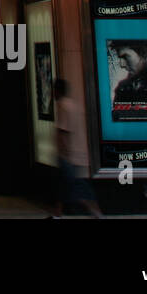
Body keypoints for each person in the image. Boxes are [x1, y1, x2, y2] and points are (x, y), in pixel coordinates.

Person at [53, 78, 102, 218]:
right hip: (79, 151)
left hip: (69, 154)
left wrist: (64, 152)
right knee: (67, 183)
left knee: (75, 185)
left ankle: (94, 209)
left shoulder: (63, 106)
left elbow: (63, 131)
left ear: (57, 91)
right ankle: (58, 211)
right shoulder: (74, 106)